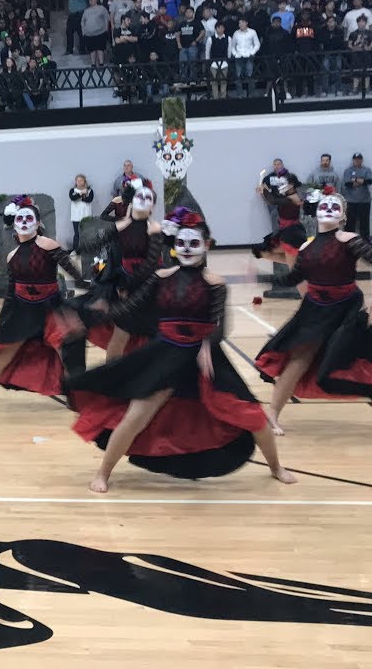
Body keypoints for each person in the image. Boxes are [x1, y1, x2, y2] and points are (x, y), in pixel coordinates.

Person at [67, 207, 295, 493]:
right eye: (181, 242)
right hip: (166, 354)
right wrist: (93, 317)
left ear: (207, 245)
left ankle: (276, 467)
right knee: (136, 416)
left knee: (253, 415)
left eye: (194, 242)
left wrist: (207, 345)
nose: (187, 248)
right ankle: (103, 473)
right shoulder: (161, 277)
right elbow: (129, 309)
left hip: (205, 359)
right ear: (174, 244)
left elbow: (219, 324)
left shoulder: (215, 283)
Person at [255, 186, 372, 435]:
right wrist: (263, 278)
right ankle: (273, 414)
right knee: (299, 358)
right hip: (314, 311)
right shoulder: (307, 247)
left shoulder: (350, 240)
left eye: (335, 206)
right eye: (324, 205)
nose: (329, 209)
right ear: (316, 212)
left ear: (343, 215)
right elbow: (293, 278)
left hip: (347, 309)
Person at [0, 195, 84, 412]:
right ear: (15, 223)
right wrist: (5, 321)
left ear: (38, 224)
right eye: (20, 218)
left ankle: (76, 397)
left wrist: (84, 285)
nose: (25, 222)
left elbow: (70, 268)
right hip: (22, 312)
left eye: (29, 218)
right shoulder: (12, 256)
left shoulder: (48, 245)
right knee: (2, 354)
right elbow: (11, 291)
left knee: (66, 352)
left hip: (50, 308)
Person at [72, 178, 164, 361]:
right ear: (132, 200)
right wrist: (116, 227)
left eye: (148, 198)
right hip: (123, 287)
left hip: (146, 288)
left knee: (152, 338)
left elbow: (151, 263)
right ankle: (113, 375)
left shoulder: (154, 228)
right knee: (121, 335)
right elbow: (91, 249)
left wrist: (128, 286)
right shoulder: (121, 226)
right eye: (140, 196)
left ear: (153, 206)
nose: (143, 200)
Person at [251, 173, 307, 264]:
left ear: (291, 185)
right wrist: (262, 192)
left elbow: (272, 201)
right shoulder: (286, 196)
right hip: (284, 230)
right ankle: (296, 264)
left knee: (268, 251)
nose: (280, 186)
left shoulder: (294, 197)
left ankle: (296, 266)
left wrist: (264, 190)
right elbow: (269, 201)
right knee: (264, 251)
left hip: (292, 233)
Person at [343, 152, 372, 239]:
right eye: (355, 159)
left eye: (359, 159)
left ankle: (365, 241)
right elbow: (348, 184)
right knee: (350, 223)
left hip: (364, 201)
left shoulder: (367, 170)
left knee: (364, 223)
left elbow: (369, 182)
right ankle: (348, 241)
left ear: (362, 160)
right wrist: (362, 181)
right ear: (353, 160)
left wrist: (355, 179)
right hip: (350, 201)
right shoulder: (348, 170)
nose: (357, 161)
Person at [68, 174, 95, 252]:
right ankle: (75, 250)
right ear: (75, 182)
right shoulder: (72, 190)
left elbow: (89, 199)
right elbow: (73, 198)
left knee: (87, 234)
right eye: (78, 180)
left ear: (84, 181)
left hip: (86, 216)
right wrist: (81, 194)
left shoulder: (89, 190)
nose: (79, 182)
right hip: (76, 217)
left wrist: (81, 198)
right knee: (77, 234)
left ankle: (88, 250)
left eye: (81, 180)